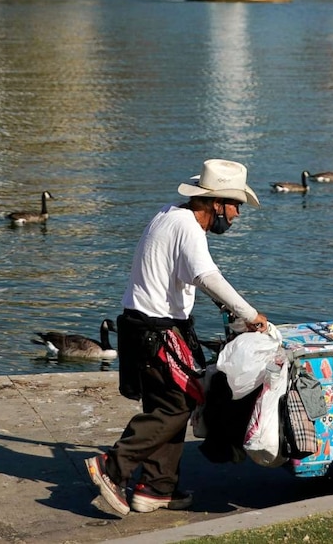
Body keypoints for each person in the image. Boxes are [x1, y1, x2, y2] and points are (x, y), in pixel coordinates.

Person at [85, 159, 270, 518]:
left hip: (140, 326)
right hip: (157, 331)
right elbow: (206, 276)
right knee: (179, 404)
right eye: (235, 206)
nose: (236, 215)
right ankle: (112, 466)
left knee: (162, 407)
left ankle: (157, 487)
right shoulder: (188, 227)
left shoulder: (169, 215)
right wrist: (250, 315)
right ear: (216, 203)